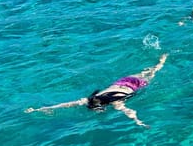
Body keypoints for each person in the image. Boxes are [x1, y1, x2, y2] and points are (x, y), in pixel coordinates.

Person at [25, 54, 168, 129]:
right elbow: (67, 104)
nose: (99, 111)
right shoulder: (91, 99)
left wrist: (139, 122)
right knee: (147, 72)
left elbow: (130, 112)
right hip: (124, 81)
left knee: (152, 73)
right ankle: (159, 62)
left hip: (134, 85)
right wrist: (43, 108)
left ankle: (161, 63)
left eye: (98, 109)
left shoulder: (116, 103)